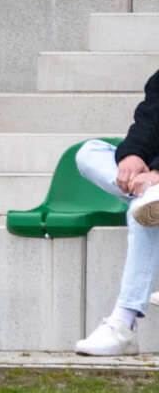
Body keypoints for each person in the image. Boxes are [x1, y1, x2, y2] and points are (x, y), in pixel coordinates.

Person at [74, 69, 159, 355]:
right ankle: (148, 195)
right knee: (89, 152)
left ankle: (124, 323)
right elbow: (146, 123)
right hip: (151, 180)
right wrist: (131, 157)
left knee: (142, 216)